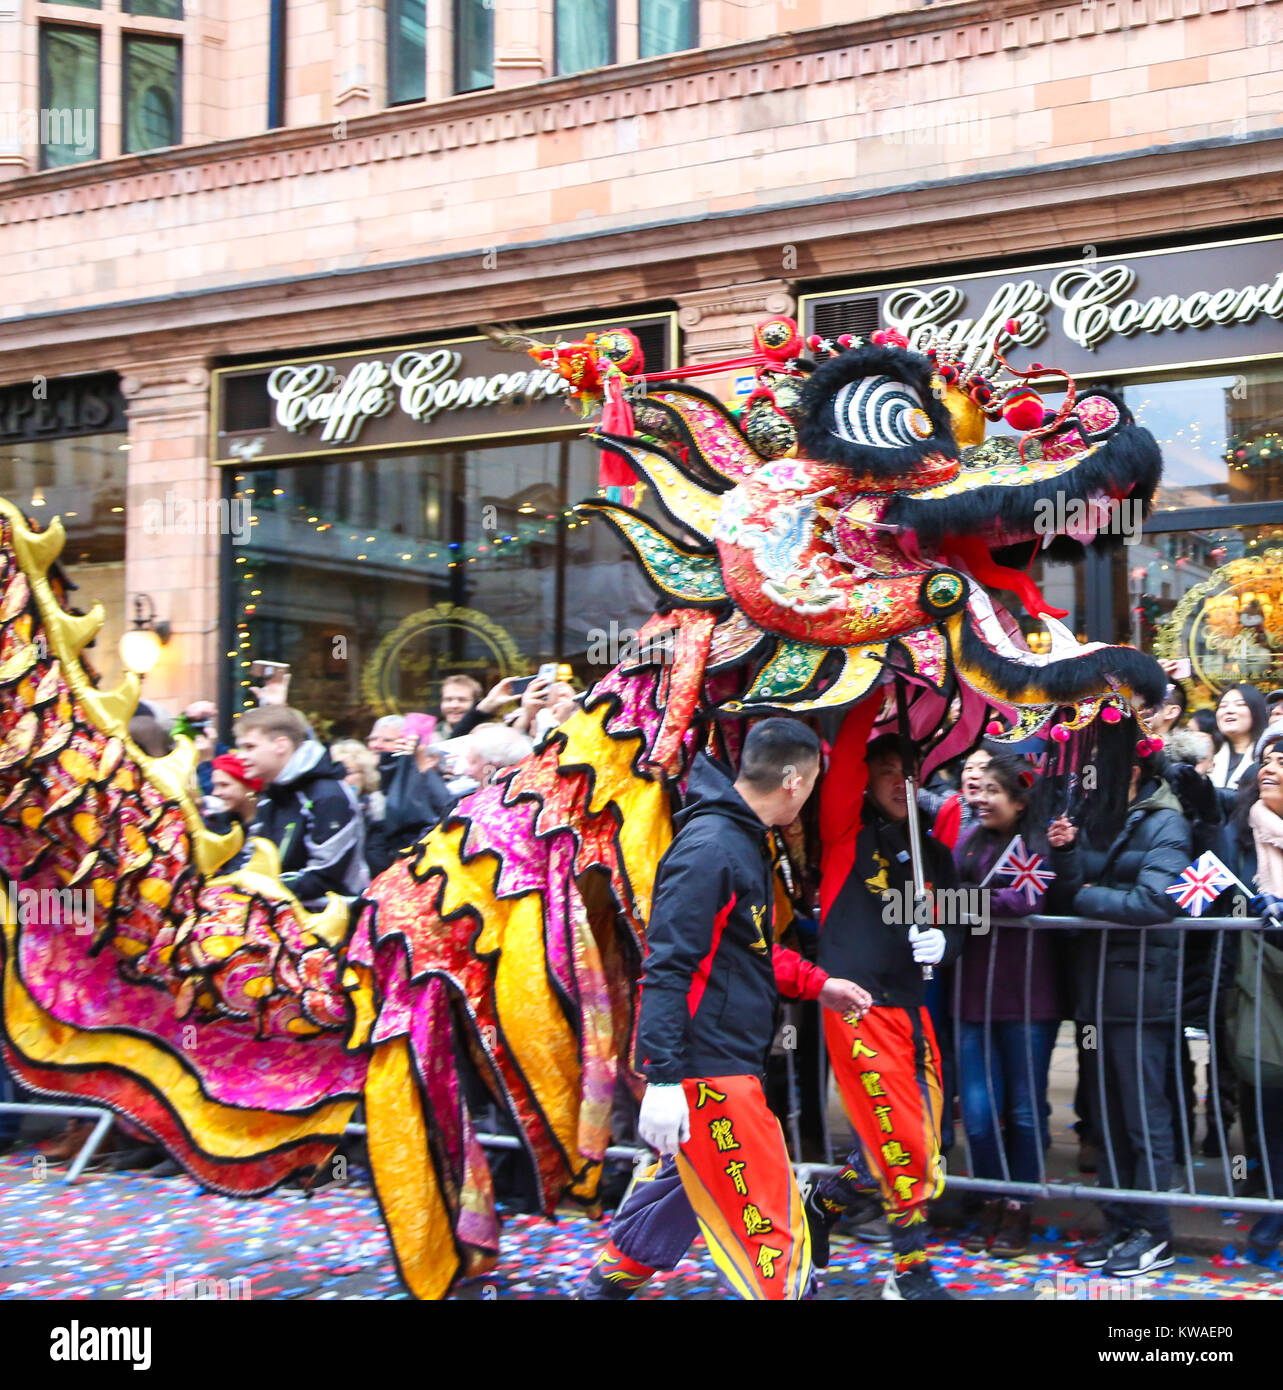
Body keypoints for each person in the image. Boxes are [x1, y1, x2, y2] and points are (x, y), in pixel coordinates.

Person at [577, 719, 873, 1301]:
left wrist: (820, 985)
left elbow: (747, 948)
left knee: (684, 1192)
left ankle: (604, 1290)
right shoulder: (713, 848)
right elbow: (668, 965)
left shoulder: (736, 840)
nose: (812, 794)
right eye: (813, 781)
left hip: (714, 1061)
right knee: (772, 1225)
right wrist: (663, 1076)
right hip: (708, 1071)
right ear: (792, 780)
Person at [803, 719, 967, 1301]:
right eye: (888, 773)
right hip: (857, 1004)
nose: (900, 783)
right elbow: (846, 757)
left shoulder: (937, 854)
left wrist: (947, 939)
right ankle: (910, 1271)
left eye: (909, 773)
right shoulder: (844, 831)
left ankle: (821, 1203)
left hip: (913, 1007)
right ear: (866, 780)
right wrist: (870, 676)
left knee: (919, 1134)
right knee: (904, 1136)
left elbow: (961, 923)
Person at [1046, 729, 1191, 1278]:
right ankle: (1119, 1221)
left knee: (1142, 1117)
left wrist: (1082, 899)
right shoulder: (1095, 821)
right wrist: (1063, 855)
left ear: (1132, 768)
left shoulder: (1167, 821)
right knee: (1105, 1116)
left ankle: (1155, 1232)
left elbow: (1157, 900)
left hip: (1143, 992)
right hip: (1096, 989)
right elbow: (1063, 893)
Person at [952, 753, 1061, 1258]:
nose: (981, 798)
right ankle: (989, 1195)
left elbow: (1026, 900)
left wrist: (963, 904)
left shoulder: (1035, 844)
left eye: (993, 791)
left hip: (1027, 999)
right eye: (979, 790)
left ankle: (1020, 1204)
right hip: (972, 995)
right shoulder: (966, 844)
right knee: (976, 1112)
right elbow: (938, 897)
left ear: (1019, 801)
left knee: (1022, 1109)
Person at [1230, 725, 1283, 1261]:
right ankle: (1270, 1208)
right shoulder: (1240, 831)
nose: (1270, 765)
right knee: (1267, 1101)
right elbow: (1224, 892)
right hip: (1262, 986)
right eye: (1265, 759)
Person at [235, 706, 369, 908]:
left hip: (327, 924)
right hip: (276, 914)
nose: (240, 756)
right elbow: (251, 859)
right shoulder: (271, 795)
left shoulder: (328, 796)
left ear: (281, 745)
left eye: (250, 747)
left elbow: (325, 876)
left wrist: (256, 888)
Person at [331, 739, 391, 877]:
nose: (343, 779)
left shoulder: (378, 807)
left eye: (348, 773)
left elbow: (378, 859)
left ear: (365, 774)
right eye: (336, 773)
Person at [1210, 683, 1268, 811]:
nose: (1229, 710)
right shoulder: (1205, 753)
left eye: (1240, 704)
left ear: (1256, 711)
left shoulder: (1268, 757)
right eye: (1223, 706)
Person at [928, 746, 991, 851]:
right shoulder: (949, 804)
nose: (973, 775)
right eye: (969, 768)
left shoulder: (1006, 818)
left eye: (983, 768)